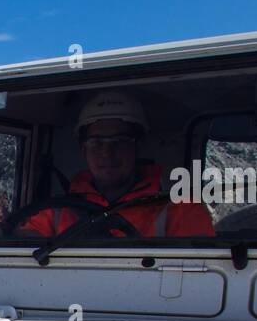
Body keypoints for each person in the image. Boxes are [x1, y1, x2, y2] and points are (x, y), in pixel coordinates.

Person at [19, 90, 214, 237]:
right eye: (96, 143)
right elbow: (22, 255)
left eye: (120, 141)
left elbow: (196, 280)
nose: (106, 153)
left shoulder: (181, 209)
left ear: (138, 146)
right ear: (83, 150)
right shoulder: (56, 210)